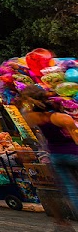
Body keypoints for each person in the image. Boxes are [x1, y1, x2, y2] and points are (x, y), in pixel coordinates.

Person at [18, 85, 78, 229]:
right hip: (74, 154)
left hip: (56, 157)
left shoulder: (32, 117)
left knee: (71, 190)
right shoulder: (61, 118)